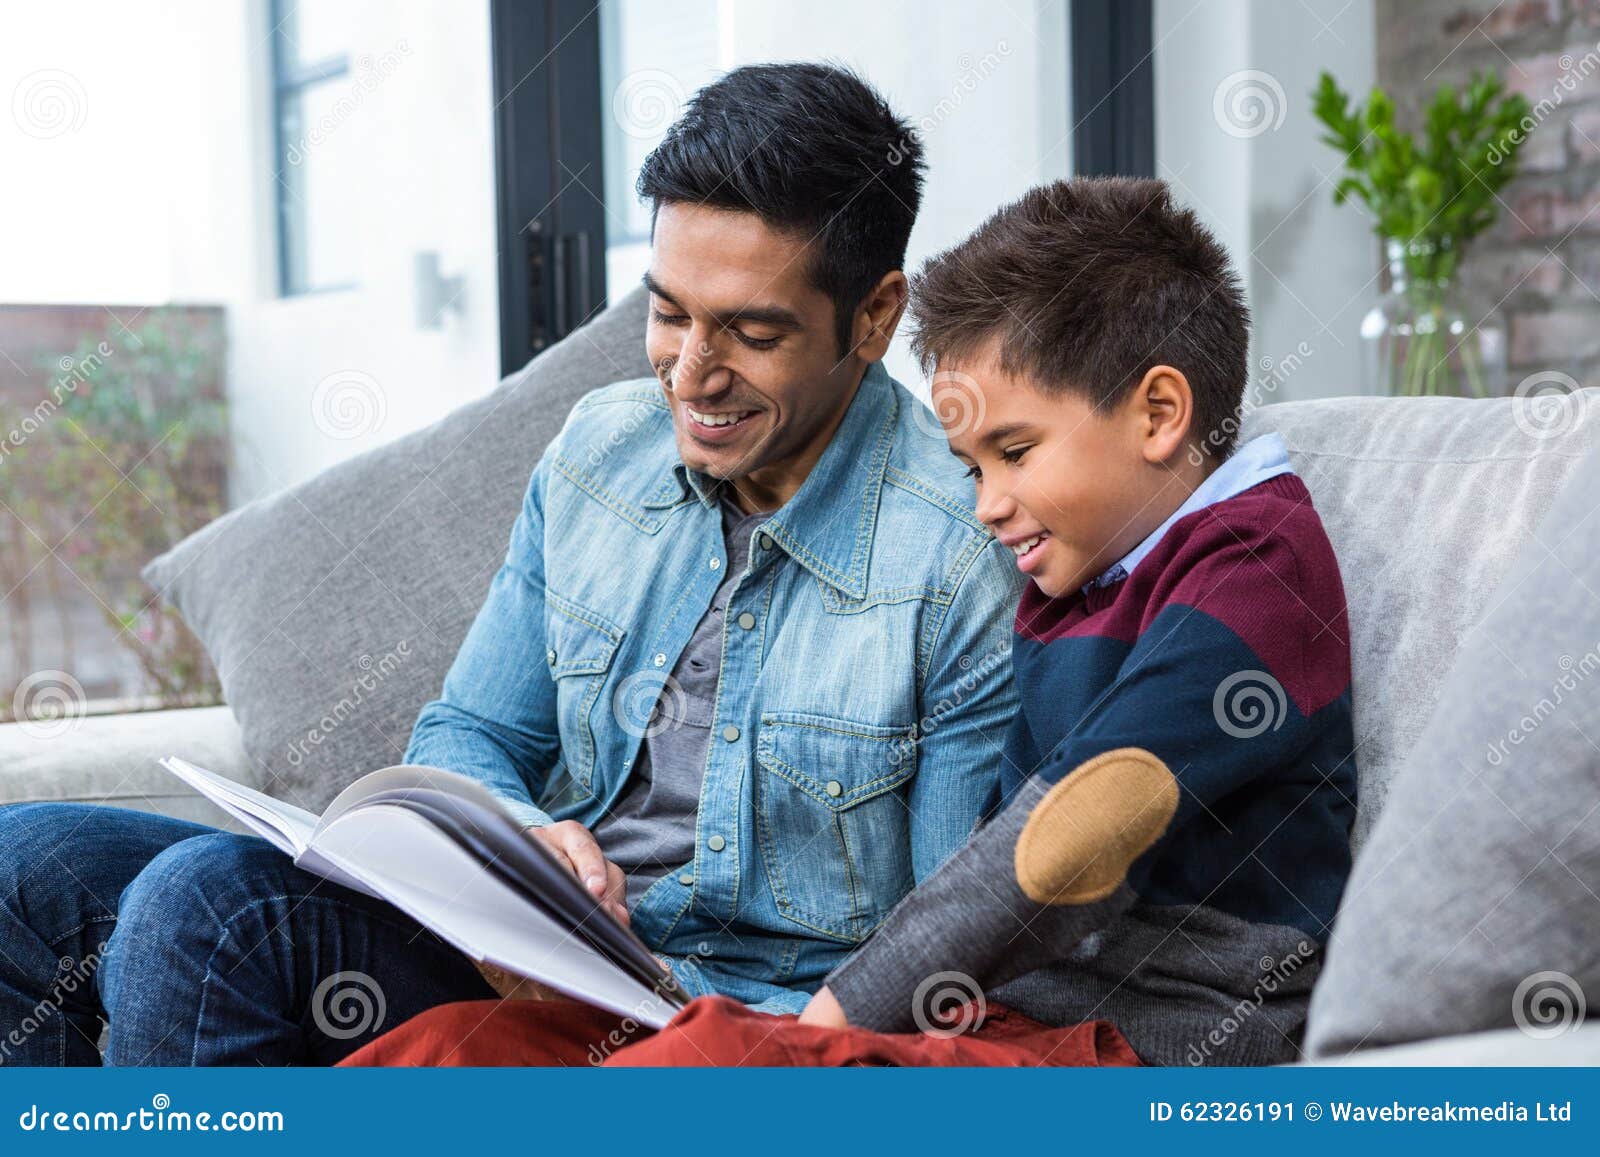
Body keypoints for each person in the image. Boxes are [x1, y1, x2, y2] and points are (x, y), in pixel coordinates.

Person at [0, 63, 1023, 1066]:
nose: (691, 372)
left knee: (208, 908)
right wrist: (530, 834)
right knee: (22, 867)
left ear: (876, 315)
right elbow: (471, 731)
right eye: (669, 312)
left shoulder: (957, 551)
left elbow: (945, 932)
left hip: (703, 1015)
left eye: (751, 332)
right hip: (520, 948)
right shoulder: (599, 450)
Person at [797, 177, 1359, 1066]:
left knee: (724, 1067)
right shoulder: (1074, 585)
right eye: (972, 468)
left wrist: (829, 1021)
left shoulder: (1260, 567)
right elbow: (993, 843)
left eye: (1014, 453)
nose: (987, 504)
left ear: (1159, 413)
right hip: (1021, 1013)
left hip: (1168, 1032)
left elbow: (1076, 830)